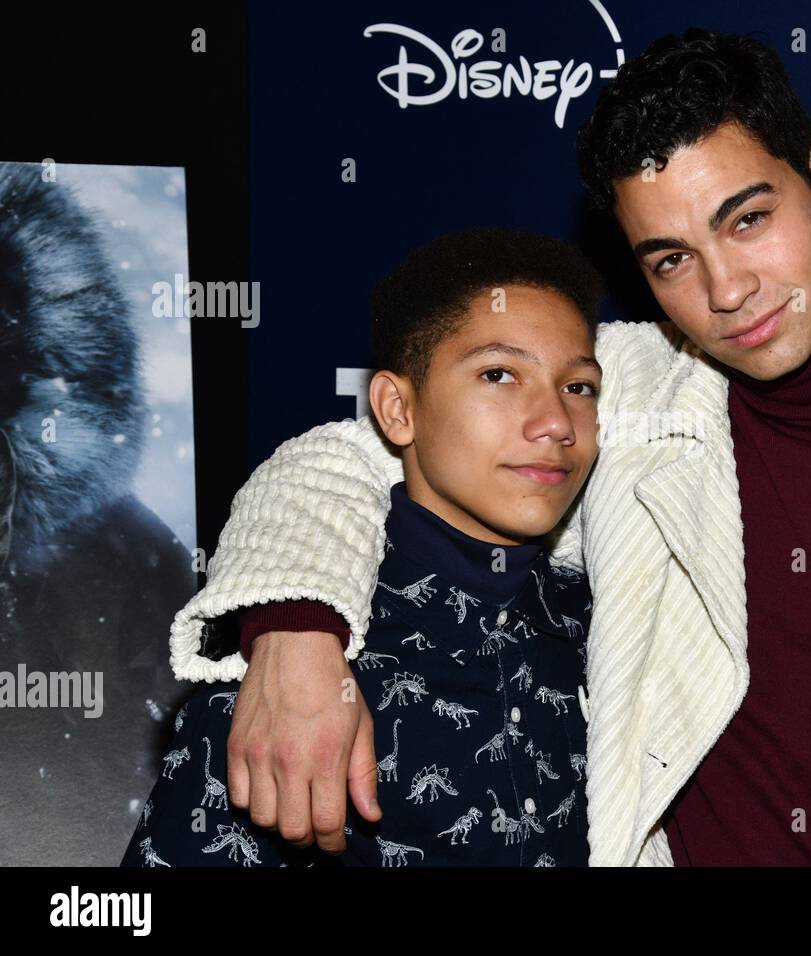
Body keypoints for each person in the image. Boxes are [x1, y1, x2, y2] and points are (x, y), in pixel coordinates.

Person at [163, 29, 811, 866]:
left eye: (748, 219)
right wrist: (296, 635)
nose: (724, 290)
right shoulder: (622, 390)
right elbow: (357, 458)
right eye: (671, 257)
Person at [122, 228, 602, 866]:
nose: (555, 423)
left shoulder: (615, 626)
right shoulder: (287, 680)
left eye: (579, 387)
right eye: (499, 374)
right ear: (397, 410)